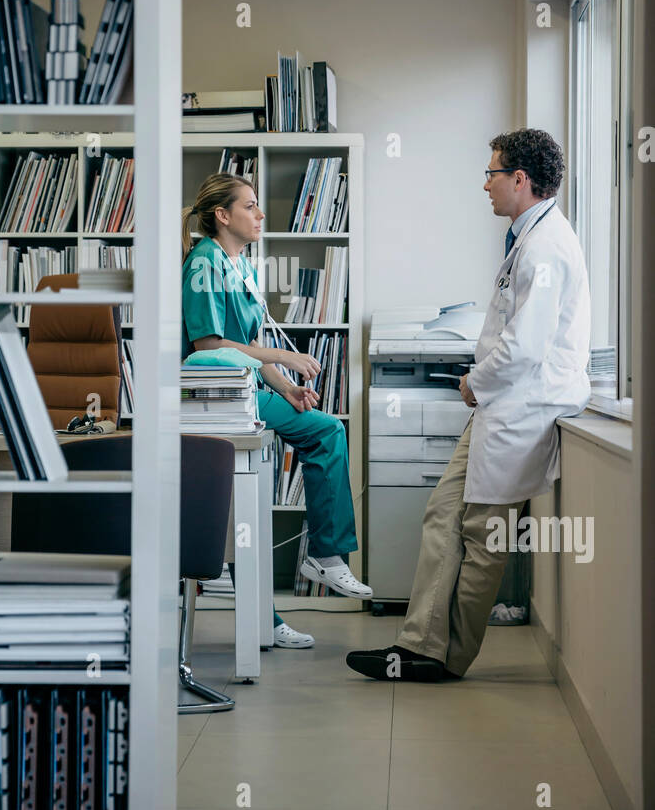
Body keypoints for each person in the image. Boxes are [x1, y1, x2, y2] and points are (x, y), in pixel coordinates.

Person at [347, 128, 591, 683]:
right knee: (444, 514)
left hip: (519, 409)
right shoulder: (530, 237)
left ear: (520, 180)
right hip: (500, 408)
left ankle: (446, 658)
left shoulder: (547, 246)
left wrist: (474, 382)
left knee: (483, 537)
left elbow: (526, 345)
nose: (485, 185)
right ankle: (422, 646)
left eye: (492, 173)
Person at [182, 172, 372, 649]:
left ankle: (276, 609)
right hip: (217, 399)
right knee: (326, 433)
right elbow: (209, 344)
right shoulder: (204, 262)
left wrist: (286, 388)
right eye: (250, 206)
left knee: (247, 511)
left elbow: (249, 345)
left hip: (244, 390)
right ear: (223, 216)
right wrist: (284, 357)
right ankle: (325, 556)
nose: (260, 215)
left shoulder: (239, 263)